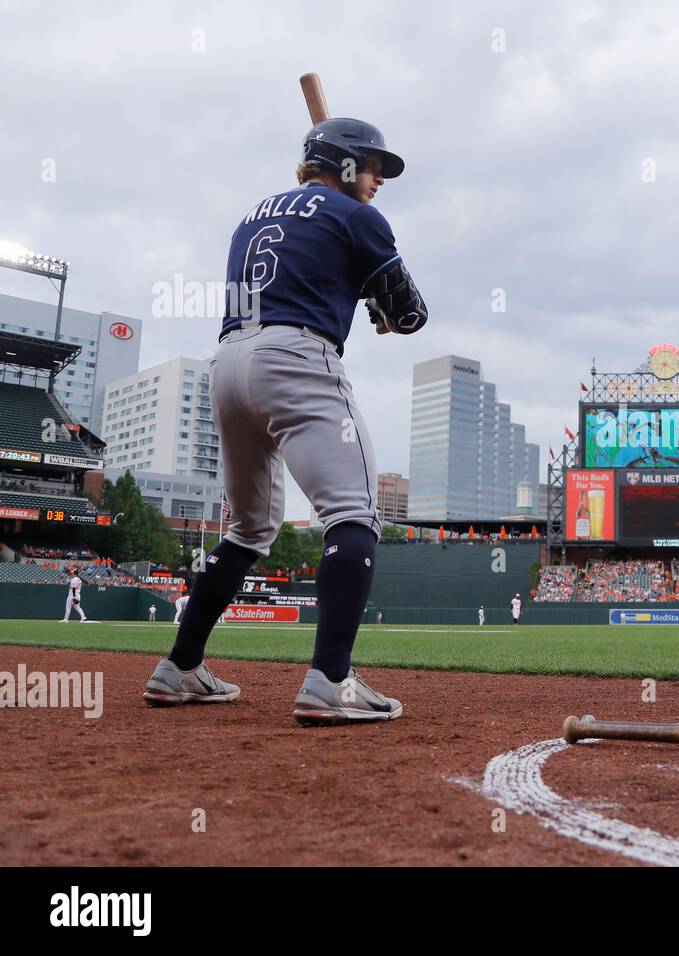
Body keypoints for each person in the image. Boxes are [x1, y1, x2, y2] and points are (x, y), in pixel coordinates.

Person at [142, 115, 427, 724]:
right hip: (298, 358)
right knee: (354, 512)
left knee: (248, 530)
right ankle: (330, 680)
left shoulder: (252, 216)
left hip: (228, 364)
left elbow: (306, 275)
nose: (379, 180)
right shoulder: (357, 216)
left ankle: (179, 667)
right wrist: (384, 308)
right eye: (374, 167)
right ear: (346, 164)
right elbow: (411, 314)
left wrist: (363, 290)